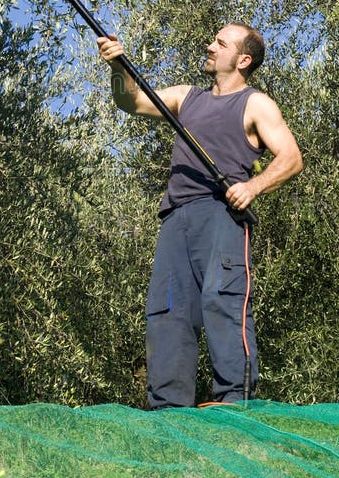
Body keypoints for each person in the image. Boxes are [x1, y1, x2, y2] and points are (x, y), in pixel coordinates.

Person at [97, 23, 303, 408]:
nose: (210, 46)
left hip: (221, 216)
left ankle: (234, 403)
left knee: (223, 300)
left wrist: (253, 187)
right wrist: (118, 67)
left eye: (220, 43)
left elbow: (291, 158)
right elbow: (132, 101)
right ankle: (169, 410)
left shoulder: (255, 104)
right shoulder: (186, 97)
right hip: (176, 218)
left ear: (243, 59)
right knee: (167, 310)